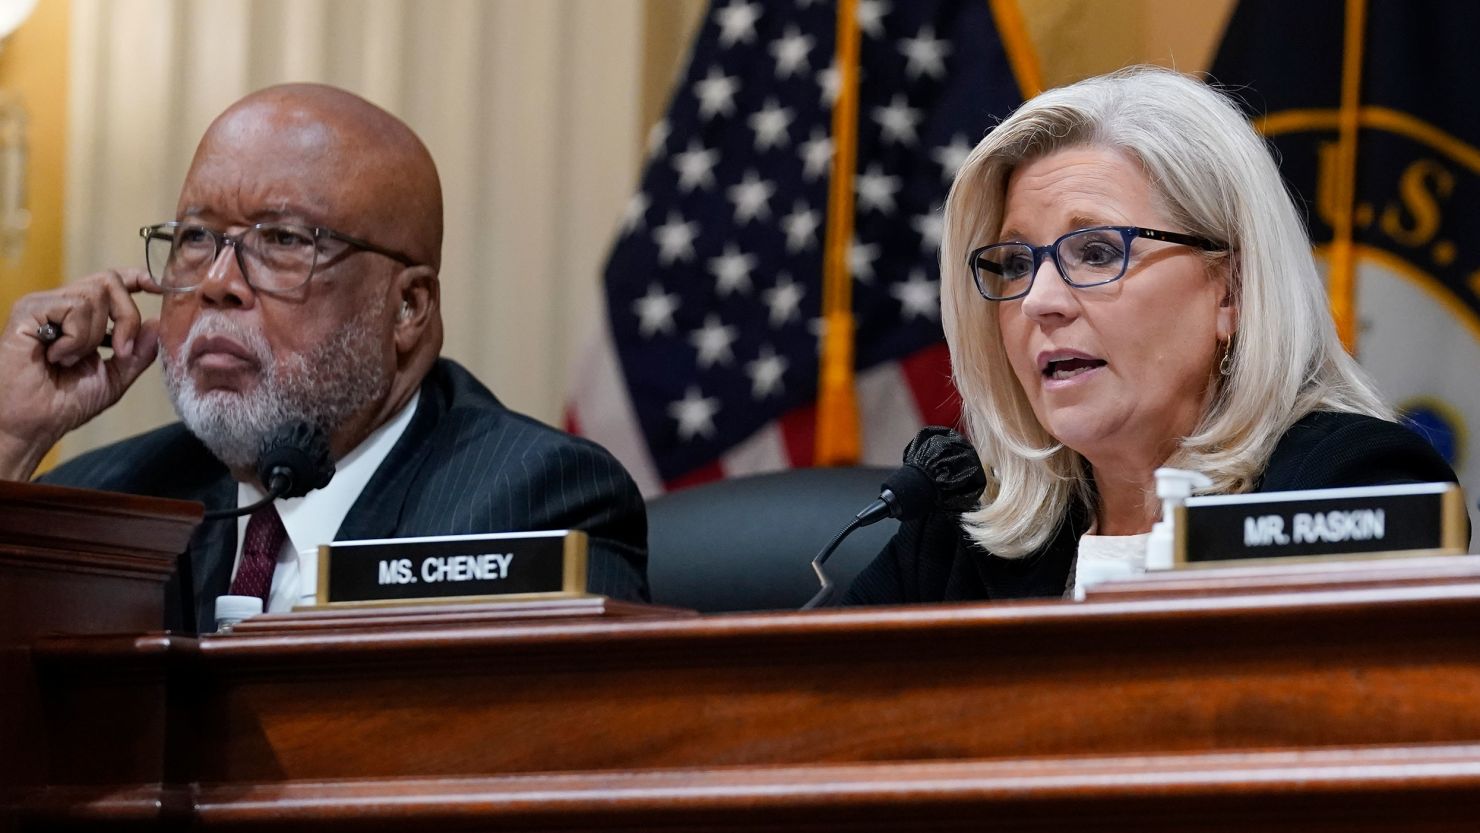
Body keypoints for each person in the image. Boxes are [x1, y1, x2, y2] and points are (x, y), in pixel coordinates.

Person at [0, 84, 648, 631]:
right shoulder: (102, 506)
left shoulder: (529, 507)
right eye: (197, 237)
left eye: (283, 239)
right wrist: (10, 435)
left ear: (408, 309)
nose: (218, 281)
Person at [846, 67, 1461, 605]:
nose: (1038, 301)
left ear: (1232, 291)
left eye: (1094, 252)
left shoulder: (1350, 483)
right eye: (1014, 264)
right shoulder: (957, 531)